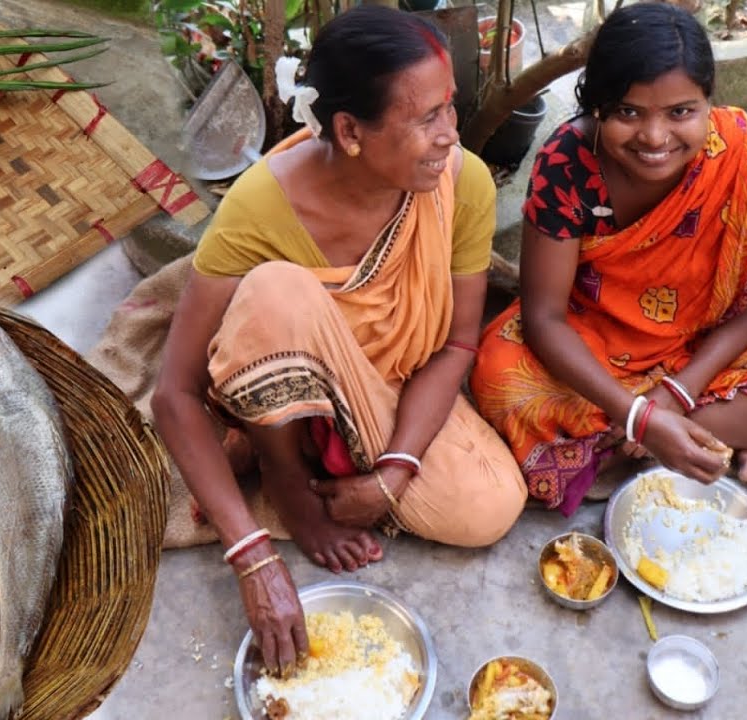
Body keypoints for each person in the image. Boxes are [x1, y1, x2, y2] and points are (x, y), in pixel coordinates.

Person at [151, 5, 526, 676]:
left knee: (490, 507)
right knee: (275, 292)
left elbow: (456, 348)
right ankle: (287, 481)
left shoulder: (458, 182)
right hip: (284, 395)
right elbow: (174, 391)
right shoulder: (261, 206)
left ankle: (333, 468)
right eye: (426, 119)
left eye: (450, 110)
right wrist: (253, 556)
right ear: (350, 130)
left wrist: (394, 475)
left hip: (388, 392)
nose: (450, 137)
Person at [470, 2, 747, 515]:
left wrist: (676, 394)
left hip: (709, 339)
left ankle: (646, 441)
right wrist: (641, 417)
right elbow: (544, 318)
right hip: (597, 336)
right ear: (598, 105)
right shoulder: (568, 161)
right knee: (498, 376)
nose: (654, 137)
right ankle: (684, 437)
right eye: (628, 111)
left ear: (708, 103)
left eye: (681, 112)